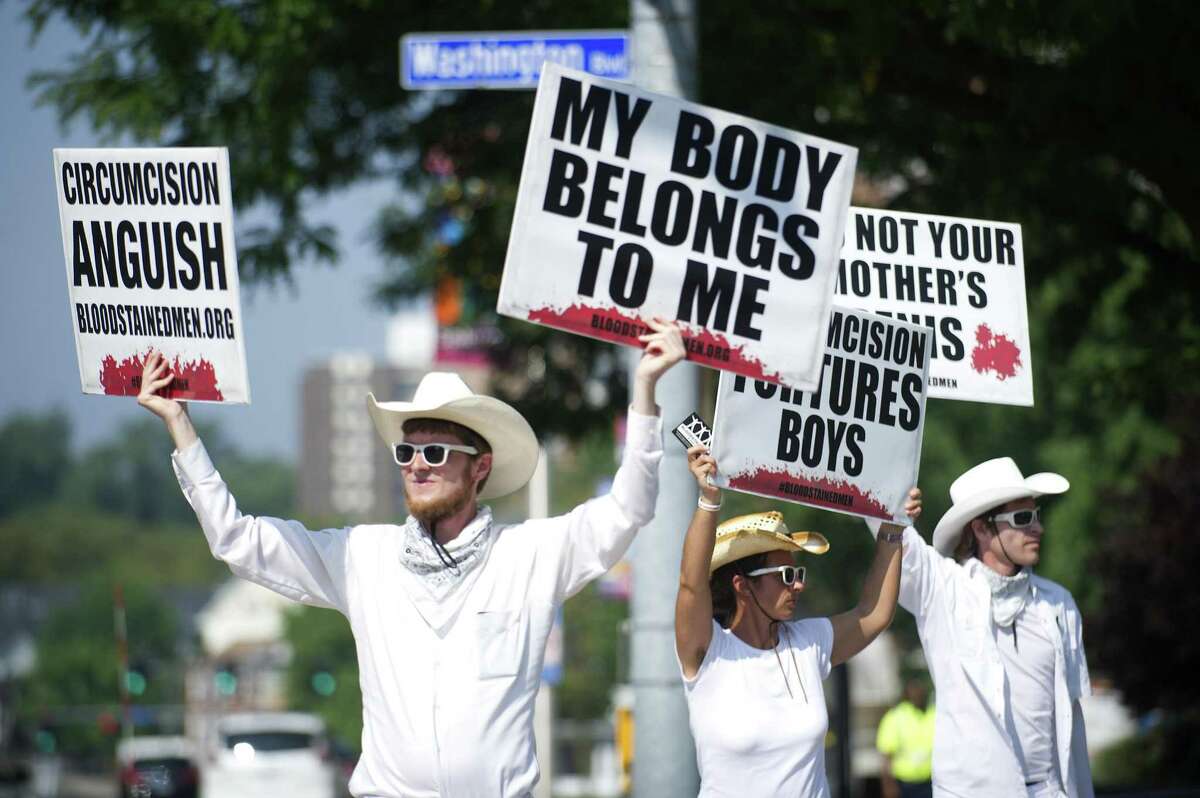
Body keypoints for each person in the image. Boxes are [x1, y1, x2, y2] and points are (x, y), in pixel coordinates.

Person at [135, 319, 686, 798]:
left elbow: (628, 509)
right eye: (406, 451)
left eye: (435, 451)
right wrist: (180, 427)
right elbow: (238, 541)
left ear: (480, 468)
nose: (417, 465)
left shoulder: (529, 554)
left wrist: (644, 389)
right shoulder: (362, 556)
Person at [674, 446, 921, 797]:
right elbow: (690, 584)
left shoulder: (808, 641)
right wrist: (710, 499)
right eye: (786, 574)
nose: (799, 584)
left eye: (798, 572)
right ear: (742, 585)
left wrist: (893, 529)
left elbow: (873, 614)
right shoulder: (708, 650)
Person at [874, 457, 1093, 798]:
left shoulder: (1059, 604)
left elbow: (1073, 723)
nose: (1037, 528)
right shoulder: (944, 589)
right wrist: (893, 509)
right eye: (1022, 519)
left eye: (1036, 516)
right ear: (980, 528)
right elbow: (890, 532)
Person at [876, 674, 935, 798]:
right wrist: (888, 786)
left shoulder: (933, 714)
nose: (918, 693)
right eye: (914, 689)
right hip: (904, 785)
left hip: (931, 782)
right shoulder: (895, 717)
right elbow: (886, 756)